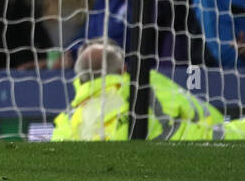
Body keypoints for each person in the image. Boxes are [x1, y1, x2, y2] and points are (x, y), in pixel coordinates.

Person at [51, 39, 245, 141]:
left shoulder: (69, 120)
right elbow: (198, 112)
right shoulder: (142, 87)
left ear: (80, 78)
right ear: (123, 69)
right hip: (175, 149)